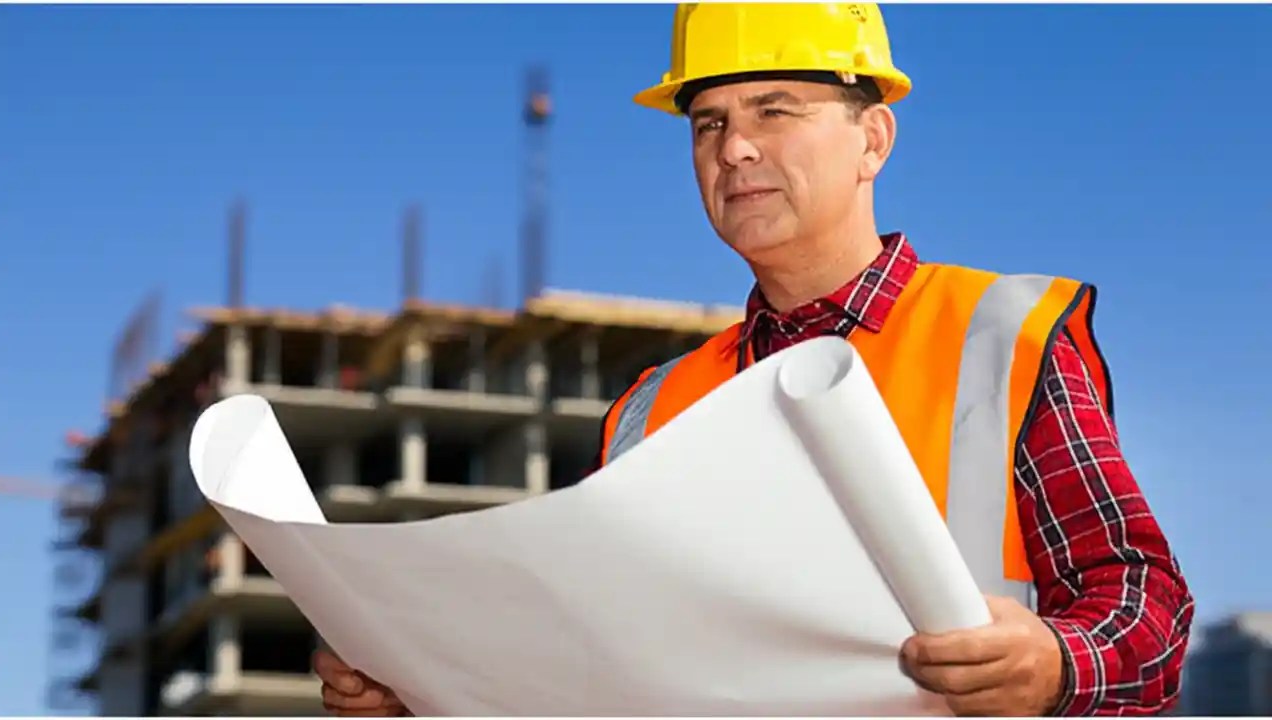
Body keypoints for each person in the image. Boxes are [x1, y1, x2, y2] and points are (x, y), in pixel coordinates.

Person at [315, 3, 1194, 716]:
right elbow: (590, 665)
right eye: (709, 123)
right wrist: (423, 692)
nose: (734, 148)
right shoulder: (648, 411)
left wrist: (1054, 664)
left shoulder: (999, 333)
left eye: (776, 110)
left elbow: (1146, 609)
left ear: (874, 139)